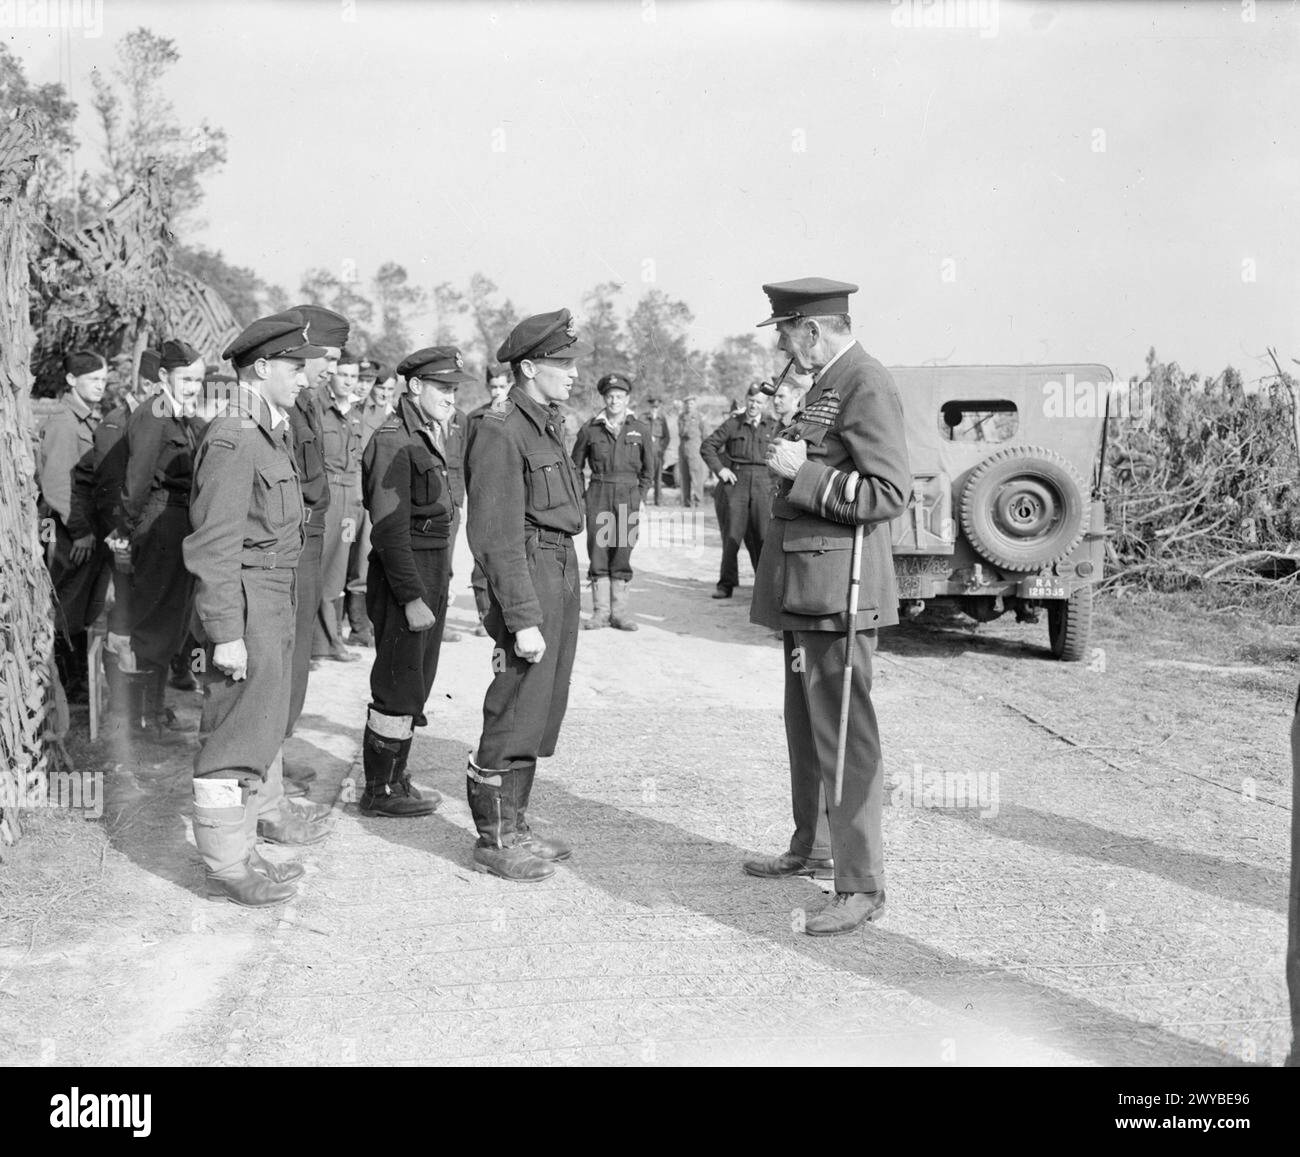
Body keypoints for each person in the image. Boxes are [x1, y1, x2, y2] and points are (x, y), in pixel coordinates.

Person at [745, 277, 910, 936]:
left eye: (785, 331)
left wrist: (801, 472)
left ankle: (861, 884)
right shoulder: (827, 384)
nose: (782, 344)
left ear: (812, 330)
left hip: (841, 590)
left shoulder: (867, 382)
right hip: (807, 588)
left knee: (846, 736)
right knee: (806, 724)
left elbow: (887, 491)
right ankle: (812, 843)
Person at [182, 309, 333, 908]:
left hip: (272, 594)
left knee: (262, 719)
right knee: (232, 734)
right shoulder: (235, 434)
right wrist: (224, 632)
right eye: (295, 367)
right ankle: (225, 862)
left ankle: (247, 840)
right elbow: (212, 543)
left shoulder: (270, 427)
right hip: (244, 601)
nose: (304, 377)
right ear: (263, 367)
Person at [464, 309, 588, 882]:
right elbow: (494, 534)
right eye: (562, 364)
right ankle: (493, 839)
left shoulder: (545, 420)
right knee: (516, 696)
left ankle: (516, 823)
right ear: (530, 366)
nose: (573, 374)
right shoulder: (501, 427)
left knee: (542, 700)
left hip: (560, 562)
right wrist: (520, 615)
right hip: (529, 567)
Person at [359, 346, 475, 816]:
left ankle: (396, 777)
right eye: (443, 388)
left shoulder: (435, 432)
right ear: (415, 387)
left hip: (430, 569)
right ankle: (378, 790)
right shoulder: (392, 438)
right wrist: (410, 597)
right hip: (403, 573)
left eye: (454, 389)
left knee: (417, 680)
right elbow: (388, 529)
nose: (451, 397)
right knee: (397, 681)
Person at [119, 339, 207, 738]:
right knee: (152, 622)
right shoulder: (154, 415)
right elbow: (136, 483)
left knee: (170, 621)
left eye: (199, 379)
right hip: (157, 525)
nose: (193, 386)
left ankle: (153, 708)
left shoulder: (180, 416)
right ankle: (140, 718)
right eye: (186, 378)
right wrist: (126, 532)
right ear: (164, 376)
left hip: (176, 524)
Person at [281, 305, 344, 794]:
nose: (331, 370)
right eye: (329, 357)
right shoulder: (290, 404)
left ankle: (276, 754)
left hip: (312, 536)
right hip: (294, 540)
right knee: (284, 656)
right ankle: (267, 764)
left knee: (298, 655)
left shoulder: (308, 403)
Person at [38, 350, 111, 702]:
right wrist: (80, 529)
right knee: (66, 607)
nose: (101, 386)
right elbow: (55, 485)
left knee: (80, 608)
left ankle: (76, 684)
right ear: (71, 380)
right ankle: (65, 686)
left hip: (84, 530)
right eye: (94, 379)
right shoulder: (65, 423)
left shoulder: (86, 420)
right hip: (70, 533)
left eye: (104, 379)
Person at [571, 372, 653, 631]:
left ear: (628, 398)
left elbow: (649, 470)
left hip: (628, 494)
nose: (614, 401)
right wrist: (583, 497)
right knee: (599, 549)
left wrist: (639, 496)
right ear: (604, 398)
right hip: (599, 492)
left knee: (623, 548)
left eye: (619, 396)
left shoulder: (640, 429)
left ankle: (620, 613)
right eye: (610, 396)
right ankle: (600, 612)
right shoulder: (590, 428)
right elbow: (575, 466)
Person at [702, 382, 778, 600]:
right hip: (737, 483)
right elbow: (707, 446)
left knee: (763, 536)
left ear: (765, 404)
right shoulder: (733, 424)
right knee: (732, 535)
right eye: (751, 401)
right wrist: (721, 470)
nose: (754, 406)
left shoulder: (772, 426)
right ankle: (726, 585)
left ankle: (763, 588)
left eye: (759, 402)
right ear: (746, 400)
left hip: (764, 484)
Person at [313, 348, 365, 663]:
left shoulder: (354, 413)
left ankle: (329, 641)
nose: (348, 381)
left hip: (350, 499)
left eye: (354, 377)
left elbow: (358, 461)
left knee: (337, 571)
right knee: (318, 567)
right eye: (343, 374)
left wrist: (358, 500)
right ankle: (318, 642)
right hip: (327, 494)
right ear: (332, 374)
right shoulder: (319, 407)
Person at [344, 357, 392, 646]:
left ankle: (367, 624)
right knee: (358, 561)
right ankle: (359, 627)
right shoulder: (356, 413)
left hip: (382, 498)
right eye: (376, 386)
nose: (382, 392)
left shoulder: (394, 415)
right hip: (358, 497)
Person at [466, 365, 513, 637]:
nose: (497, 392)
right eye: (493, 387)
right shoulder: (475, 419)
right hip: (483, 497)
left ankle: (510, 613)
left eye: (502, 386)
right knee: (482, 560)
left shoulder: (519, 417)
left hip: (514, 497)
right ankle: (484, 616)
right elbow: (466, 462)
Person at [676, 396, 707, 508]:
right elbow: (680, 432)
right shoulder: (681, 417)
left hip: (695, 448)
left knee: (696, 477)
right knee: (684, 476)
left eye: (691, 403)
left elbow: (705, 434)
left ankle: (699, 501)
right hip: (683, 447)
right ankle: (686, 502)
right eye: (687, 404)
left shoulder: (699, 417)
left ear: (695, 405)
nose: (689, 406)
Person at [644, 395, 671, 506]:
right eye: (653, 407)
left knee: (658, 478)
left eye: (656, 407)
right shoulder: (643, 417)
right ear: (650, 406)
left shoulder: (662, 419)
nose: (654, 409)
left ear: (659, 407)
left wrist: (662, 449)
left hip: (658, 452)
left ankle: (658, 501)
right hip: (646, 452)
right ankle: (643, 499)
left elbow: (667, 437)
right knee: (645, 477)